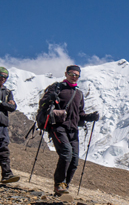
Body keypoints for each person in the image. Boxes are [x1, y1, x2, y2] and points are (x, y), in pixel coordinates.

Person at [38, 65, 99, 194]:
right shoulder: (57, 88)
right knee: (66, 153)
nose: (74, 76)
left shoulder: (79, 94)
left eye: (76, 75)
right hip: (58, 126)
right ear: (66, 74)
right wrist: (50, 97)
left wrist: (90, 117)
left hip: (73, 129)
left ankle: (65, 186)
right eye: (71, 74)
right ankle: (59, 184)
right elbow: (42, 104)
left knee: (74, 160)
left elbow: (80, 114)